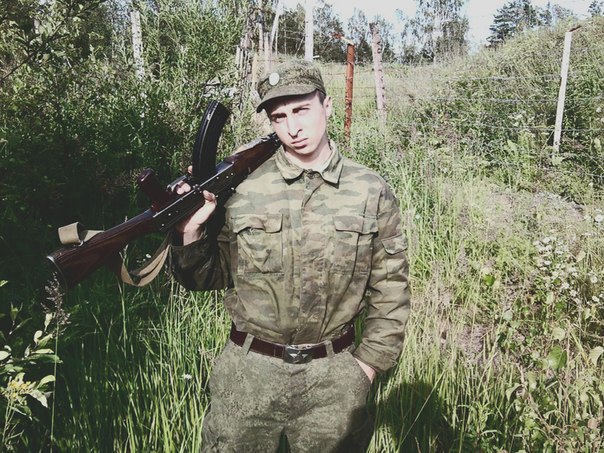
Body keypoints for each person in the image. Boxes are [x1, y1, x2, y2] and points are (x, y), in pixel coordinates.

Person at [170, 60, 410, 452]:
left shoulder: (370, 190)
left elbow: (392, 289)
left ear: (327, 106)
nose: (293, 128)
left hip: (334, 379)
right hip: (248, 377)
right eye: (279, 117)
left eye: (301, 110)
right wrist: (191, 231)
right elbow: (206, 277)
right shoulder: (242, 188)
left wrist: (366, 367)